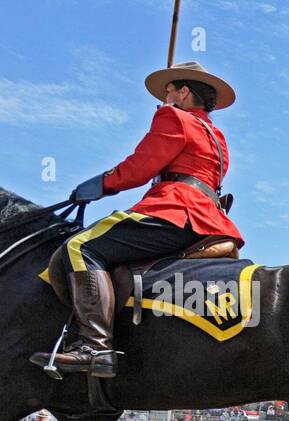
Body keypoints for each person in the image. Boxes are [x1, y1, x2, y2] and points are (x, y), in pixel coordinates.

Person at [32, 62, 241, 378]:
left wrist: (101, 184)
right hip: (212, 221)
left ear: (184, 92)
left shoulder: (173, 117)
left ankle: (94, 346)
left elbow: (140, 167)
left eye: (170, 90)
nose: (166, 97)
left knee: (79, 247)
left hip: (176, 211)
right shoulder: (217, 136)